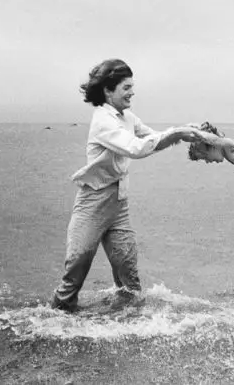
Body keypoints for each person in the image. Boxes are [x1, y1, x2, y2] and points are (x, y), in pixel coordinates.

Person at [51, 59, 204, 313]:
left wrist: (188, 132)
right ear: (108, 91)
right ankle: (55, 318)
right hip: (93, 202)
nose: (132, 91)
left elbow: (151, 137)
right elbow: (136, 148)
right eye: (126, 87)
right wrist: (177, 132)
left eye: (132, 86)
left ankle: (127, 320)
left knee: (127, 273)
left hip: (118, 203)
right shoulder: (103, 120)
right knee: (77, 265)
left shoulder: (127, 117)